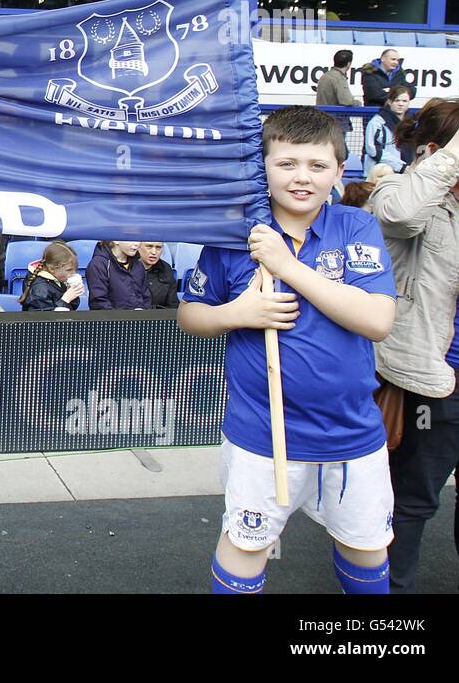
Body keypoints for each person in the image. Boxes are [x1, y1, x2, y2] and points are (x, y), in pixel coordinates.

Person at [180, 105, 397, 594]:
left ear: (340, 172)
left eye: (318, 166)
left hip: (351, 433)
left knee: (366, 547)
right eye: (287, 163)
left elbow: (378, 320)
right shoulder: (235, 237)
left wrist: (287, 264)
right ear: (264, 169)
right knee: (245, 545)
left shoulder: (355, 227)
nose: (303, 178)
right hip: (261, 435)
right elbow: (190, 315)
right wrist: (237, 314)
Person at [371, 101, 459, 593]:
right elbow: (401, 215)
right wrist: (457, 150)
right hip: (437, 376)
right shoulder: (394, 185)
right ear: (437, 150)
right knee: (413, 500)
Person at [20, 241, 84, 311]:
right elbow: (47, 318)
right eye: (69, 270)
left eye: (75, 270)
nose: (73, 273)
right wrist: (65, 300)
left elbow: (71, 308)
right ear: (52, 269)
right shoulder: (40, 289)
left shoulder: (58, 279)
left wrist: (73, 295)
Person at [86, 241, 151, 309]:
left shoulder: (138, 265)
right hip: (112, 319)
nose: (137, 244)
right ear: (116, 240)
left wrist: (143, 313)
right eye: (131, 239)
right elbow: (99, 302)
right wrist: (123, 318)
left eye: (138, 239)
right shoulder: (99, 264)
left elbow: (146, 298)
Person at [363, 86, 411, 175]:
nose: (401, 104)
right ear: (389, 101)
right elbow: (372, 150)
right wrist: (401, 166)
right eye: (397, 100)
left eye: (404, 101)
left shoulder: (411, 124)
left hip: (404, 174)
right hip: (379, 175)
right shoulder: (377, 122)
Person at [139, 242, 179, 309]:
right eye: (149, 246)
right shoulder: (125, 269)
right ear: (138, 247)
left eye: (158, 247)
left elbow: (173, 305)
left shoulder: (166, 269)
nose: (154, 252)